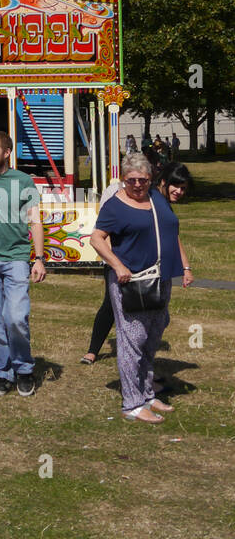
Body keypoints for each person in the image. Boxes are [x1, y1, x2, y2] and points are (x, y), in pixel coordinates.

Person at [89, 152, 190, 424]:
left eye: (143, 180)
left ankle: (147, 394)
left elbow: (171, 231)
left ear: (150, 180)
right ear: (123, 180)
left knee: (151, 338)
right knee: (131, 341)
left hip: (160, 279)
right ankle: (132, 403)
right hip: (130, 283)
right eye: (132, 180)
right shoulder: (115, 206)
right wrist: (118, 265)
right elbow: (96, 239)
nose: (137, 185)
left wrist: (184, 265)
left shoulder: (156, 199)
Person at [81, 162, 193, 366]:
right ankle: (94, 350)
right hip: (124, 266)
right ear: (163, 182)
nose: (179, 191)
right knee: (114, 308)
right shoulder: (124, 199)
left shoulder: (159, 203)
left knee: (156, 316)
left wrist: (185, 267)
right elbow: (101, 234)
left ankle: (143, 370)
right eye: (175, 186)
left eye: (183, 188)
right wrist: (115, 261)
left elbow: (172, 236)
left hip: (152, 270)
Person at [0, 130, 46, 397]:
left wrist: (38, 258)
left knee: (15, 318)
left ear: (6, 153)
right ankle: (3, 373)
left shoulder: (23, 181)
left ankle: (24, 369)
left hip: (16, 259)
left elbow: (35, 220)